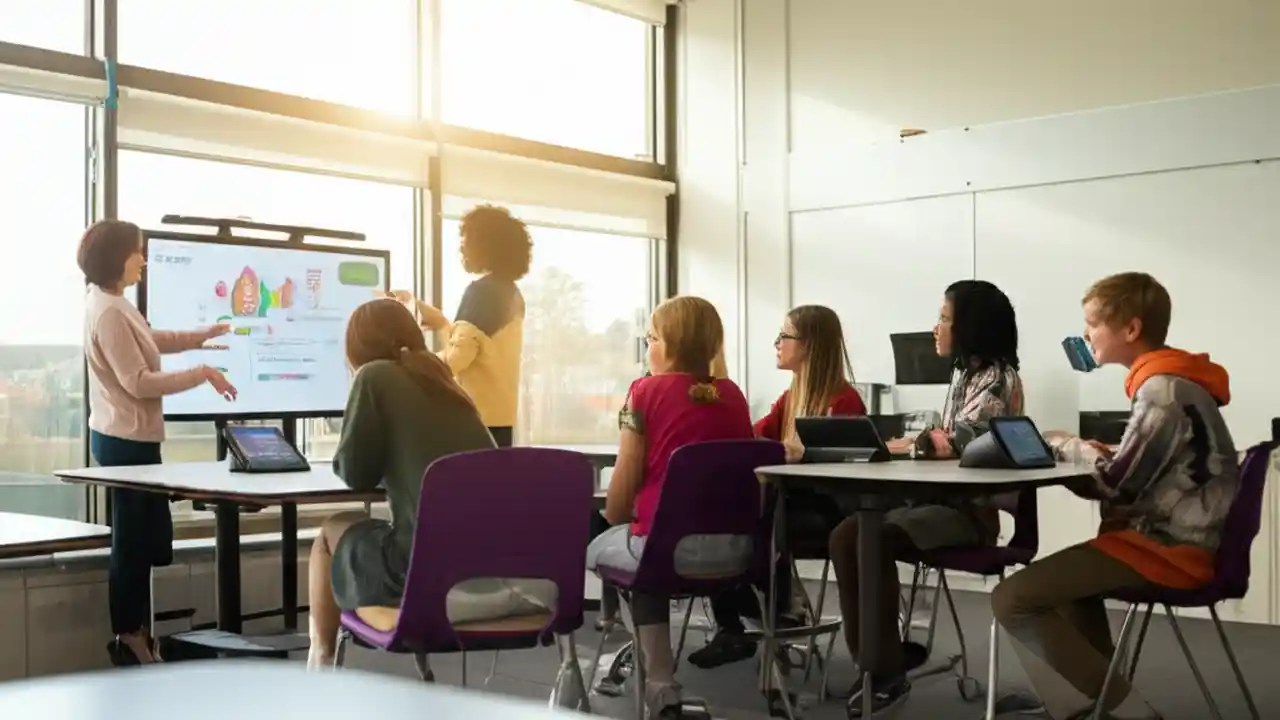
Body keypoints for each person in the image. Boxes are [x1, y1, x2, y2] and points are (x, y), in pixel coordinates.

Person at [992, 273, 1237, 720]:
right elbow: (1144, 464)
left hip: (1167, 548)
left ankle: (1130, 712)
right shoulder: (1174, 382)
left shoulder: (1161, 391)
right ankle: (1093, 705)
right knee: (1065, 588)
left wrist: (1068, 449)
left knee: (1012, 598)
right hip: (1175, 537)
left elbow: (1114, 485)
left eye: (1092, 323)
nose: (1085, 334)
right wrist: (1099, 451)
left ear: (1130, 330)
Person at [829, 279, 1024, 717]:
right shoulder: (966, 374)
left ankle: (884, 673)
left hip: (968, 516)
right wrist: (918, 441)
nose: (935, 327)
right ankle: (879, 663)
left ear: (969, 326)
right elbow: (940, 440)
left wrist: (912, 443)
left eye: (943, 318)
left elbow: (954, 445)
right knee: (848, 535)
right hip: (937, 506)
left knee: (868, 536)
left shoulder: (995, 379)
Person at [78, 219, 238, 665]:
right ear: (117, 256)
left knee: (150, 540)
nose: (144, 259)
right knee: (133, 542)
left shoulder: (115, 303)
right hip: (124, 440)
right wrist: (202, 373)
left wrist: (201, 337)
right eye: (138, 251)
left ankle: (138, 633)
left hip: (133, 437)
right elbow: (139, 382)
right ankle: (129, 635)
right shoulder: (108, 311)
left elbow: (152, 339)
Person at [586, 296, 755, 718]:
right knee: (646, 544)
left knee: (624, 546)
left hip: (667, 556)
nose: (648, 350)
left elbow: (621, 502)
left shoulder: (643, 392)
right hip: (738, 555)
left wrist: (610, 521)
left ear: (672, 344)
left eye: (652, 339)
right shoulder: (733, 395)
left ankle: (660, 685)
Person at [305, 298, 496, 668]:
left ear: (358, 347)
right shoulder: (444, 379)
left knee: (329, 532)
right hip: (486, 560)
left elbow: (355, 472)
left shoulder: (374, 375)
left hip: (421, 564)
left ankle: (320, 660)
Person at [689, 304, 867, 669]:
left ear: (811, 345)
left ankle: (769, 610)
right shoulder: (792, 397)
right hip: (787, 508)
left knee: (746, 519)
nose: (777, 343)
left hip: (826, 513)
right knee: (724, 512)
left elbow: (844, 473)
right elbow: (754, 436)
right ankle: (747, 617)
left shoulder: (843, 401)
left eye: (784, 336)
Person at [392, 205, 530, 447]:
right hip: (499, 427)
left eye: (466, 238)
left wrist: (408, 359)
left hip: (473, 426)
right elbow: (480, 351)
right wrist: (442, 323)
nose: (461, 246)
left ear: (486, 245)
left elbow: (457, 360)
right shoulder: (510, 293)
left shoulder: (482, 293)